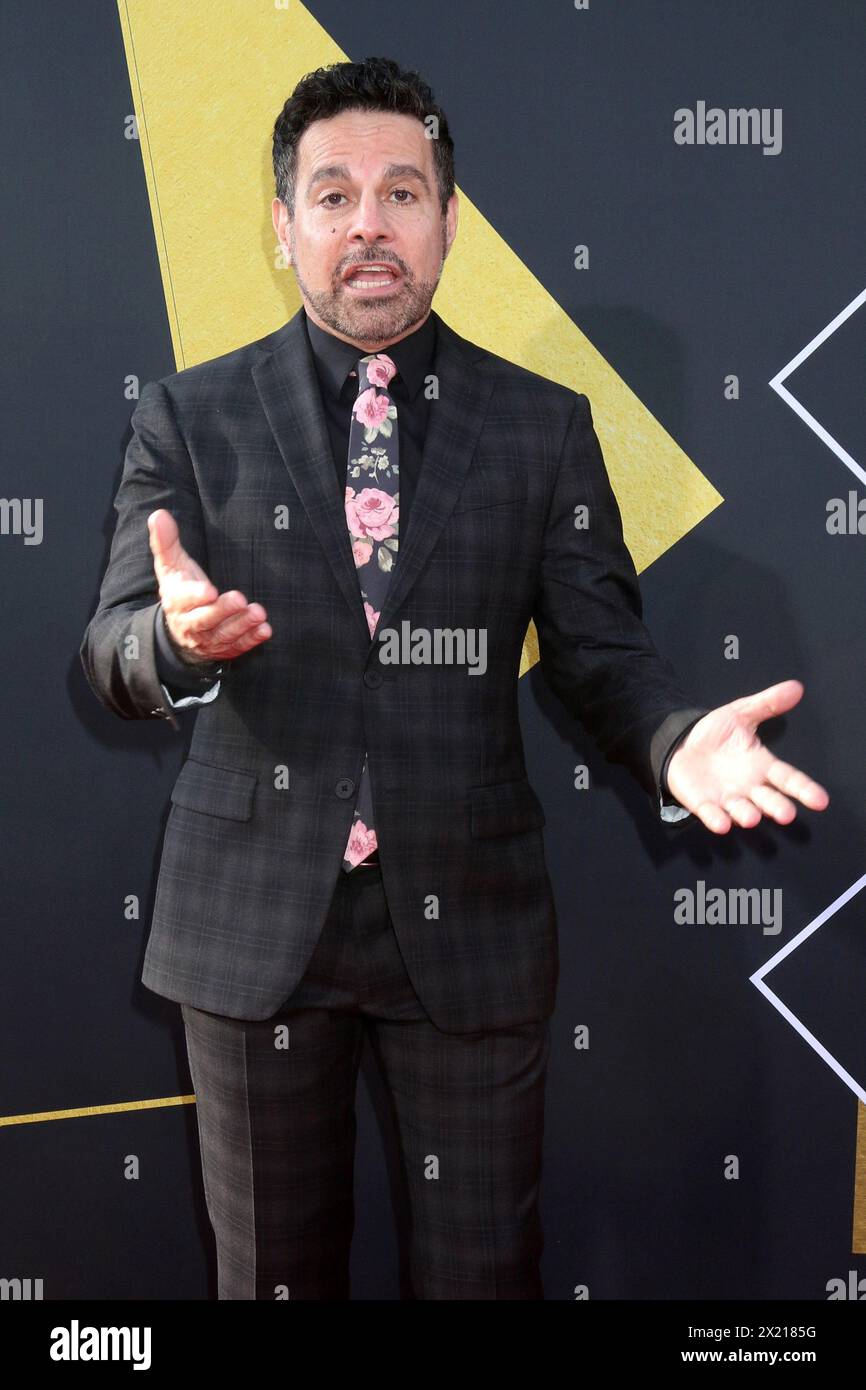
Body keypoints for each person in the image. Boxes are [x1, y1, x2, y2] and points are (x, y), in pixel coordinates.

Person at [79, 56, 829, 1300]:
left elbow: (599, 657)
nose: (367, 222)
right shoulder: (188, 417)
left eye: (401, 191)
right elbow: (109, 653)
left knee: (487, 1278)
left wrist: (674, 740)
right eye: (331, 195)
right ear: (283, 226)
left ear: (448, 220)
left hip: (467, 930)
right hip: (252, 928)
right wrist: (171, 644)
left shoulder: (542, 427)